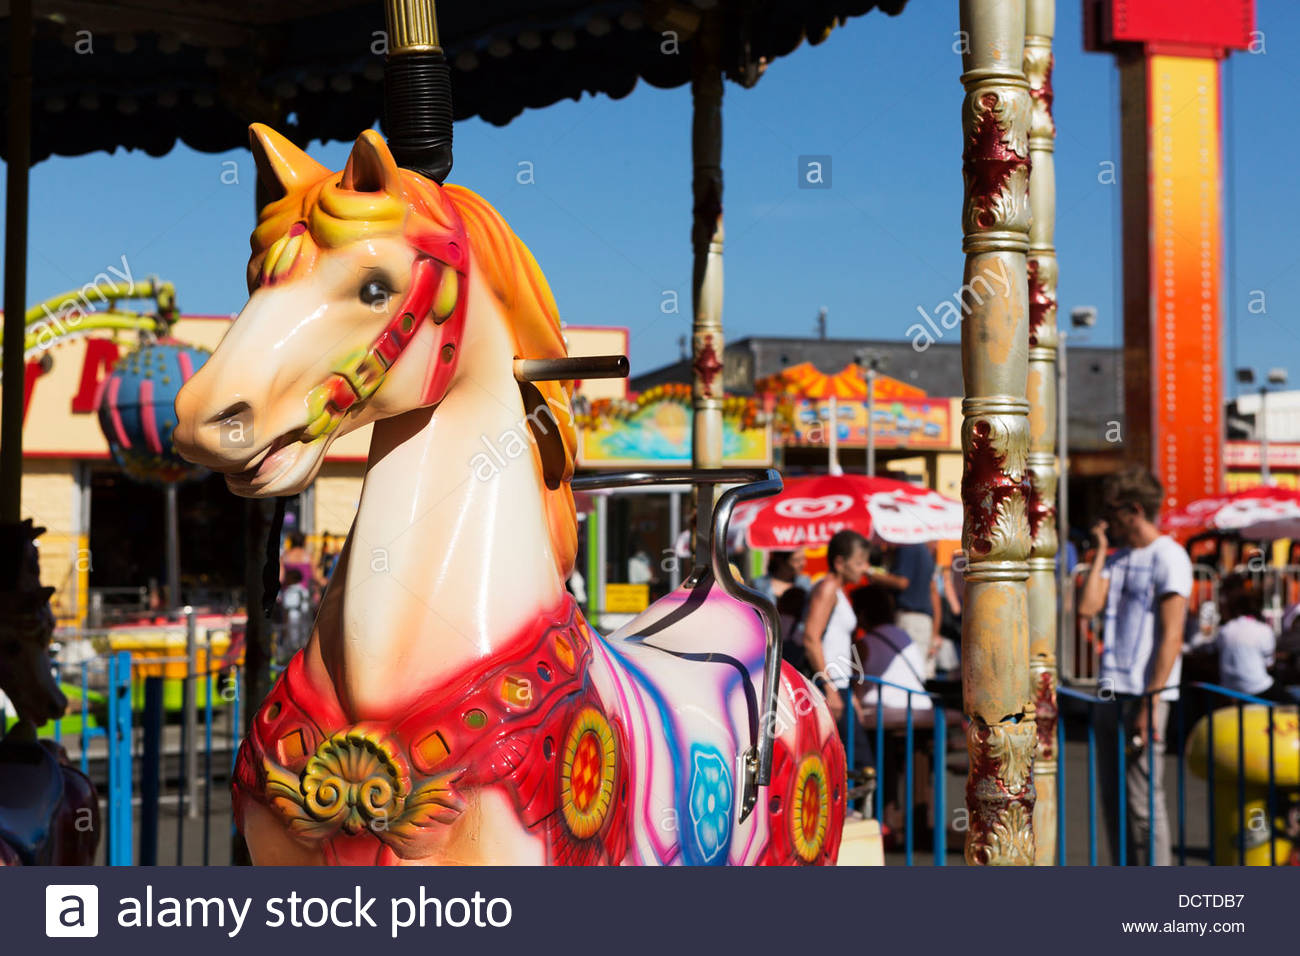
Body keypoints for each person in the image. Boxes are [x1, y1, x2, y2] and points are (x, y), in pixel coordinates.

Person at [1078, 467, 1191, 866]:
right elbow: (1087, 607)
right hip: (1112, 687)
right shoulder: (1121, 557)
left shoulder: (1170, 557)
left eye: (1112, 510)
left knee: (1144, 801)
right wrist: (1100, 549)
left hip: (1146, 692)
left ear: (1135, 510)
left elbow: (1171, 636)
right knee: (1113, 798)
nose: (1106, 517)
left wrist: (1150, 702)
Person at [803, 530, 873, 769]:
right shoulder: (828, 589)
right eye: (859, 562)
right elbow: (811, 637)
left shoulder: (838, 591)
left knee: (854, 763)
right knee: (859, 764)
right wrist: (830, 688)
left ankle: (853, 807)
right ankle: (854, 807)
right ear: (840, 562)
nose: (865, 568)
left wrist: (848, 693)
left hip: (838, 686)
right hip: (827, 687)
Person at [851, 586, 932, 711]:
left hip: (886, 711)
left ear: (861, 613)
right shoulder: (904, 636)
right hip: (921, 704)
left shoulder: (862, 645)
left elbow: (858, 693)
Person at [1201, 572, 1279, 698]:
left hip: (1228, 690)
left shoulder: (1225, 630)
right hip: (1258, 689)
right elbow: (1269, 664)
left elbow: (1210, 650)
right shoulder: (1263, 630)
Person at [889, 541, 942, 678]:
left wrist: (872, 575)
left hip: (910, 619)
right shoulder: (924, 553)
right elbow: (934, 595)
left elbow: (902, 582)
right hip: (923, 622)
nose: (936, 544)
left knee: (906, 675)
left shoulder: (909, 546)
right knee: (915, 674)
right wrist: (934, 633)